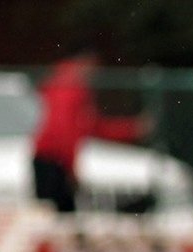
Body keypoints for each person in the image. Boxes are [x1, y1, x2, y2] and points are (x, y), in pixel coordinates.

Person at [30, 48, 148, 213]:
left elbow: (91, 126)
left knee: (57, 214)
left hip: (52, 160)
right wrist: (70, 168)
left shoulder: (70, 86)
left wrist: (130, 128)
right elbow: (63, 130)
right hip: (52, 160)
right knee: (56, 215)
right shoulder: (68, 84)